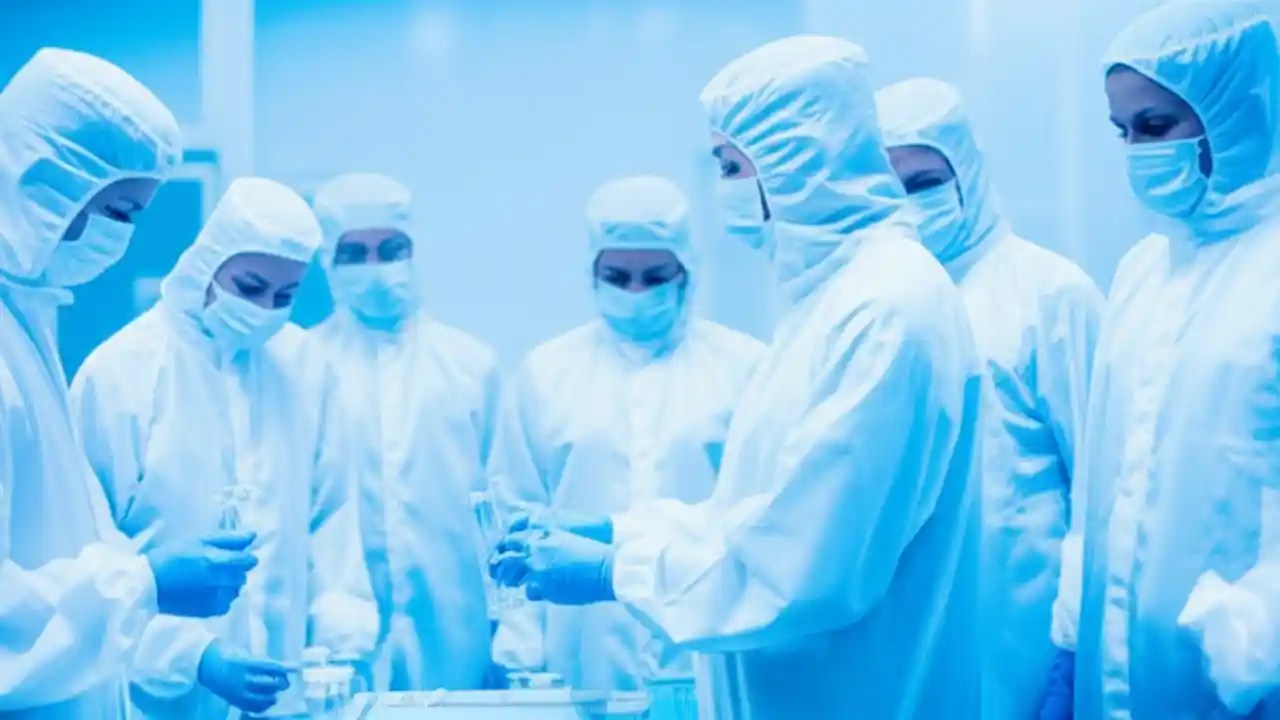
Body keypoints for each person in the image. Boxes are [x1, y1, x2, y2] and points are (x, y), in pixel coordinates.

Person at [494, 36, 984, 719]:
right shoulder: (832, 300)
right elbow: (752, 516)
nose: (721, 188)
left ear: (796, 161)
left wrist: (614, 571)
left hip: (856, 695)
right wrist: (617, 529)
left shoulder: (886, 307)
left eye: (730, 165)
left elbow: (803, 569)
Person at [0, 48, 260, 718]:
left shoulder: (26, 323)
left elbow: (83, 542)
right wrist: (147, 582)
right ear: (46, 185)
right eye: (120, 210)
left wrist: (177, 628)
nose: (124, 238)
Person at [69, 176, 378, 719]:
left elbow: (333, 516)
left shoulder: (304, 368)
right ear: (206, 264)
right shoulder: (122, 372)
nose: (265, 309)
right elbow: (92, 549)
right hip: (152, 692)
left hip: (286, 690)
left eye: (285, 297)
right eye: (250, 286)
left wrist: (342, 642)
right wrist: (193, 655)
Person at [1051, 0, 1280, 716]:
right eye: (1122, 132)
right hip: (1116, 671)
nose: (1136, 153)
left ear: (1234, 112)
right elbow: (1099, 484)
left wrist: (1252, 642)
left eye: (1155, 127)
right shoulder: (1141, 271)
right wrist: (1068, 645)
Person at [874, 77, 1104, 719]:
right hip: (907, 642)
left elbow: (1102, 486)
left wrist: (1076, 650)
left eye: (924, 182)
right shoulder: (877, 306)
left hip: (1024, 642)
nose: (910, 204)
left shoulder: (1051, 295)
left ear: (967, 173)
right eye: (890, 189)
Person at [489, 175, 763, 692]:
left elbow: (754, 513)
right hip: (581, 647)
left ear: (686, 273)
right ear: (592, 273)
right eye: (617, 276)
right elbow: (516, 511)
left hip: (707, 640)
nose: (636, 293)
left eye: (655, 276)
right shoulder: (546, 373)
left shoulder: (745, 367)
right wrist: (520, 647)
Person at [305, 172, 502, 692]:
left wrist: (513, 633)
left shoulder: (469, 365)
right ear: (329, 262)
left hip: (456, 625)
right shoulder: (301, 366)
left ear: (414, 252)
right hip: (329, 637)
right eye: (355, 252)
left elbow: (501, 508)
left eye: (390, 249)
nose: (376, 268)